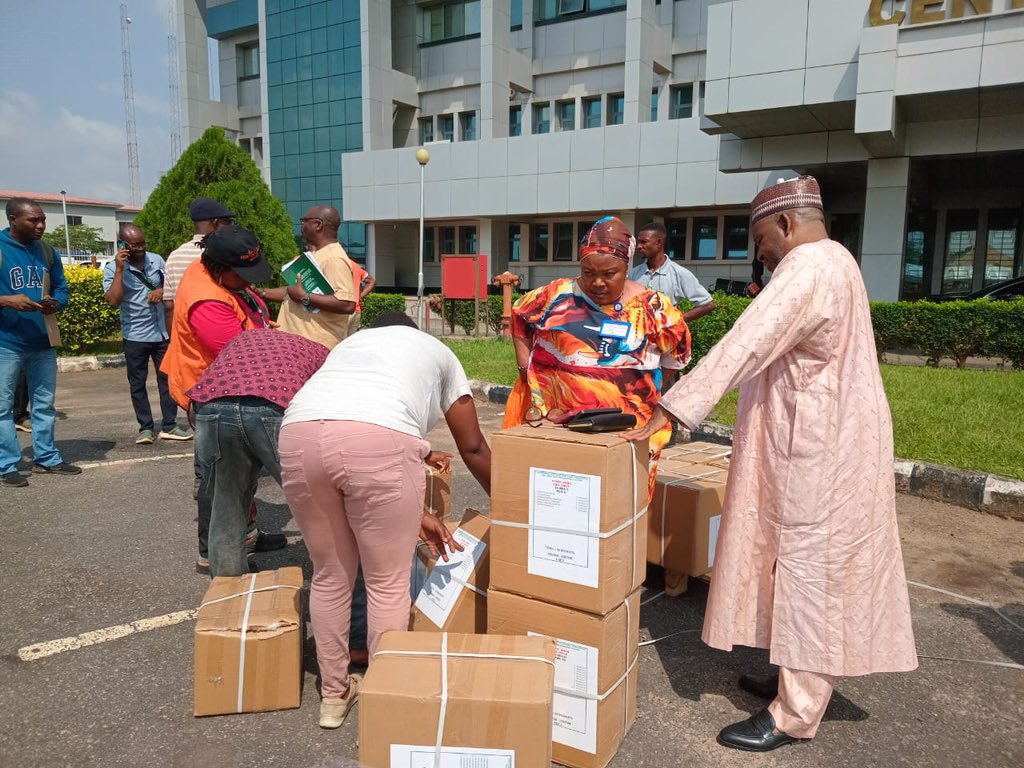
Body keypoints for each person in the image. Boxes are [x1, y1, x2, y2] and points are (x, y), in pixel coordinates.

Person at [625, 176, 918, 751]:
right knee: (788, 560)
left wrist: (672, 407)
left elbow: (746, 341)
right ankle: (793, 675)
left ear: (785, 223)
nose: (759, 252)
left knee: (810, 570)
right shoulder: (836, 261)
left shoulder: (809, 266)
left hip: (819, 447)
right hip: (819, 436)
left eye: (760, 239)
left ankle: (794, 714)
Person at [279, 311, 490, 729]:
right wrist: (514, 508)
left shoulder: (347, 347)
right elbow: (472, 446)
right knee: (387, 582)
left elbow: (344, 421)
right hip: (379, 438)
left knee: (330, 575)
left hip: (298, 435)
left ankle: (333, 696)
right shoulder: (436, 350)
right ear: (413, 333)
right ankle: (382, 698)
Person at [503, 216, 691, 495]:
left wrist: (639, 386)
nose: (597, 282)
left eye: (609, 274)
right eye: (588, 272)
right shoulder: (557, 295)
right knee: (562, 497)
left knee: (624, 503)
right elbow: (519, 315)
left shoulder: (654, 308)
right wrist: (525, 369)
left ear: (626, 268)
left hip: (630, 432)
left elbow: (677, 356)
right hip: (559, 425)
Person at [160, 224, 286, 573]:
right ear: (219, 268)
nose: (248, 281)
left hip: (234, 389)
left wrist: (262, 329)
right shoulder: (207, 300)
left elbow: (245, 323)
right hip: (213, 394)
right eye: (242, 274)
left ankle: (246, 535)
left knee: (241, 471)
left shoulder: (220, 277)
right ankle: (210, 553)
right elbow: (239, 354)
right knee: (217, 480)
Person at [187, 328, 330, 576]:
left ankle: (228, 585)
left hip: (213, 404)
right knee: (315, 498)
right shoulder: (324, 354)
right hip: (273, 404)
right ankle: (340, 579)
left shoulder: (245, 338)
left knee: (226, 503)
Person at [0, 198, 81, 488]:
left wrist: (55, 303)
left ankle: (46, 458)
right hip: (6, 343)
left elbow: (62, 288)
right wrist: (7, 300)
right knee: (3, 408)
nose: (41, 225)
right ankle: (7, 464)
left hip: (43, 341)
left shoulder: (47, 251)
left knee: (44, 405)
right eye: (33, 220)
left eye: (43, 219)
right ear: (13, 219)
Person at [103, 223, 191, 445]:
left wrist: (161, 291)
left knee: (167, 380)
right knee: (137, 384)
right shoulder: (113, 268)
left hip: (162, 333)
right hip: (135, 335)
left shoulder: (157, 260)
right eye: (135, 245)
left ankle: (169, 425)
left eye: (143, 244)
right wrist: (120, 270)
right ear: (122, 245)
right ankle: (145, 428)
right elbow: (113, 301)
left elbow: (171, 287)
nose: (141, 249)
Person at [258, 205, 356, 349]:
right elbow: (293, 292)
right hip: (296, 344)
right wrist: (262, 292)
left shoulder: (333, 258)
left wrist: (305, 297)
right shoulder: (316, 255)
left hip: (314, 347)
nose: (301, 225)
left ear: (317, 225)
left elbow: (347, 304)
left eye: (304, 221)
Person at [163, 197, 235, 333]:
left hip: (185, 334)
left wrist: (174, 340)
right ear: (215, 223)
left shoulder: (175, 256)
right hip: (220, 330)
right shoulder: (223, 253)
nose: (230, 227)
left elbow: (168, 305)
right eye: (227, 222)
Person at [630, 222, 716, 323]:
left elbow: (708, 304)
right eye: (639, 242)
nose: (639, 246)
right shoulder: (634, 274)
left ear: (659, 243)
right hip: (637, 332)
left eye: (644, 242)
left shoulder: (679, 273)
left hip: (665, 333)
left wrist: (675, 322)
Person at [346, 259, 376, 335]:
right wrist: (360, 297)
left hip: (343, 310)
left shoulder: (338, 263)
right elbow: (372, 281)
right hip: (355, 310)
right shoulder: (355, 266)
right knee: (350, 341)